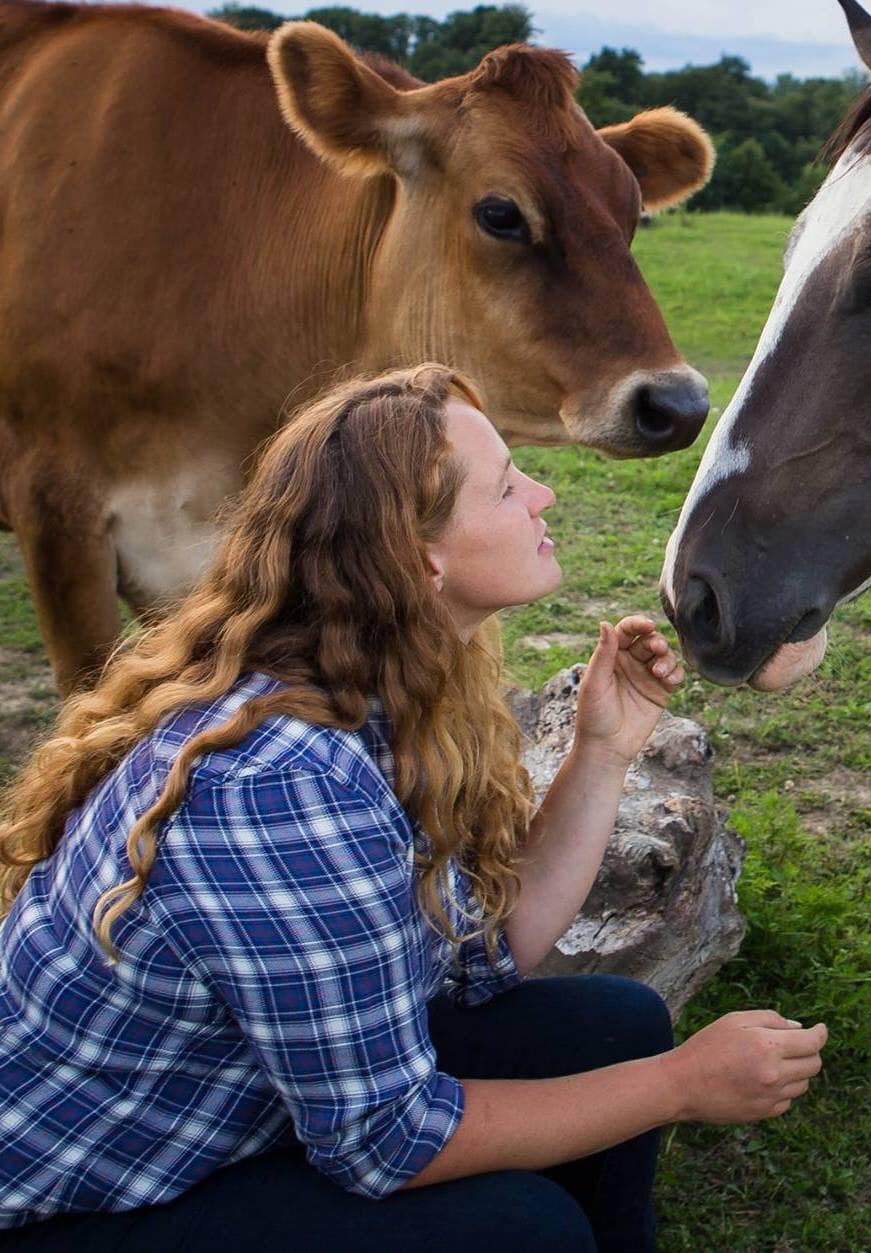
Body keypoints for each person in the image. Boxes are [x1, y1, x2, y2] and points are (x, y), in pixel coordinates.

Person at [0, 364, 827, 1250]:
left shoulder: (372, 692)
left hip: (232, 1104)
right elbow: (386, 1141)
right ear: (416, 556)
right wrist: (681, 1086)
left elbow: (480, 956)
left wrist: (603, 747)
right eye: (508, 487)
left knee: (614, 1027)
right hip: (82, 1203)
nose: (543, 494)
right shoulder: (281, 785)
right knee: (521, 1229)